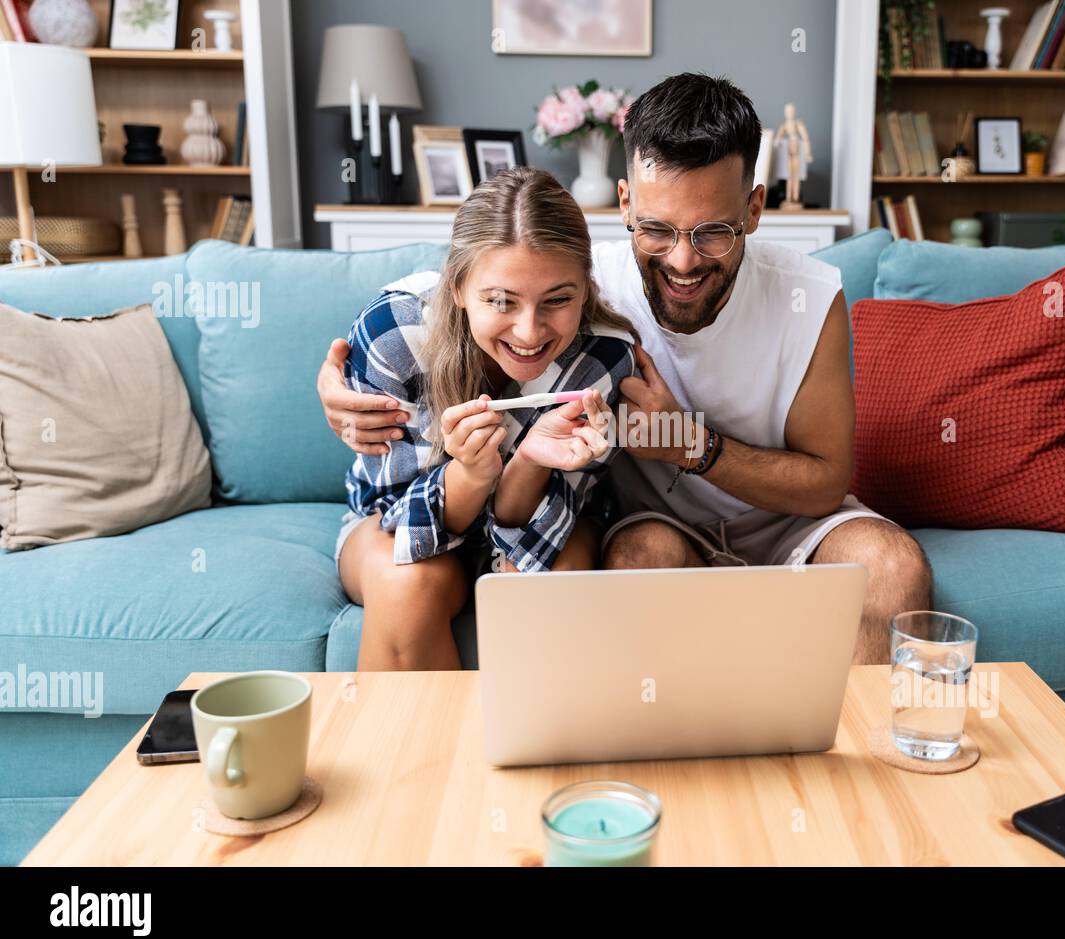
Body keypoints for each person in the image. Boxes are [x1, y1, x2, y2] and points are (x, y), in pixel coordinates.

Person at [318, 74, 930, 665]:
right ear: (625, 203)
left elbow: (826, 483)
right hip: (657, 529)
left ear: (753, 209)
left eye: (714, 231)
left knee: (892, 564)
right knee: (639, 560)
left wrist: (686, 444)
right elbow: (474, 278)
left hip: (791, 527)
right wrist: (339, 379)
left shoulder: (808, 297)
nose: (684, 261)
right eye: (657, 229)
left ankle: (855, 764)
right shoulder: (579, 282)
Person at [335, 167, 636, 671]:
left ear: (585, 289)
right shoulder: (394, 335)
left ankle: (536, 745)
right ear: (457, 286)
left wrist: (529, 462)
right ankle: (416, 749)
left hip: (540, 521)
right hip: (402, 522)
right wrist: (469, 475)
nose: (529, 330)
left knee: (546, 585)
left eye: (558, 300)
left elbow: (536, 534)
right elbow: (395, 518)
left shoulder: (601, 361)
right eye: (501, 301)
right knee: (405, 582)